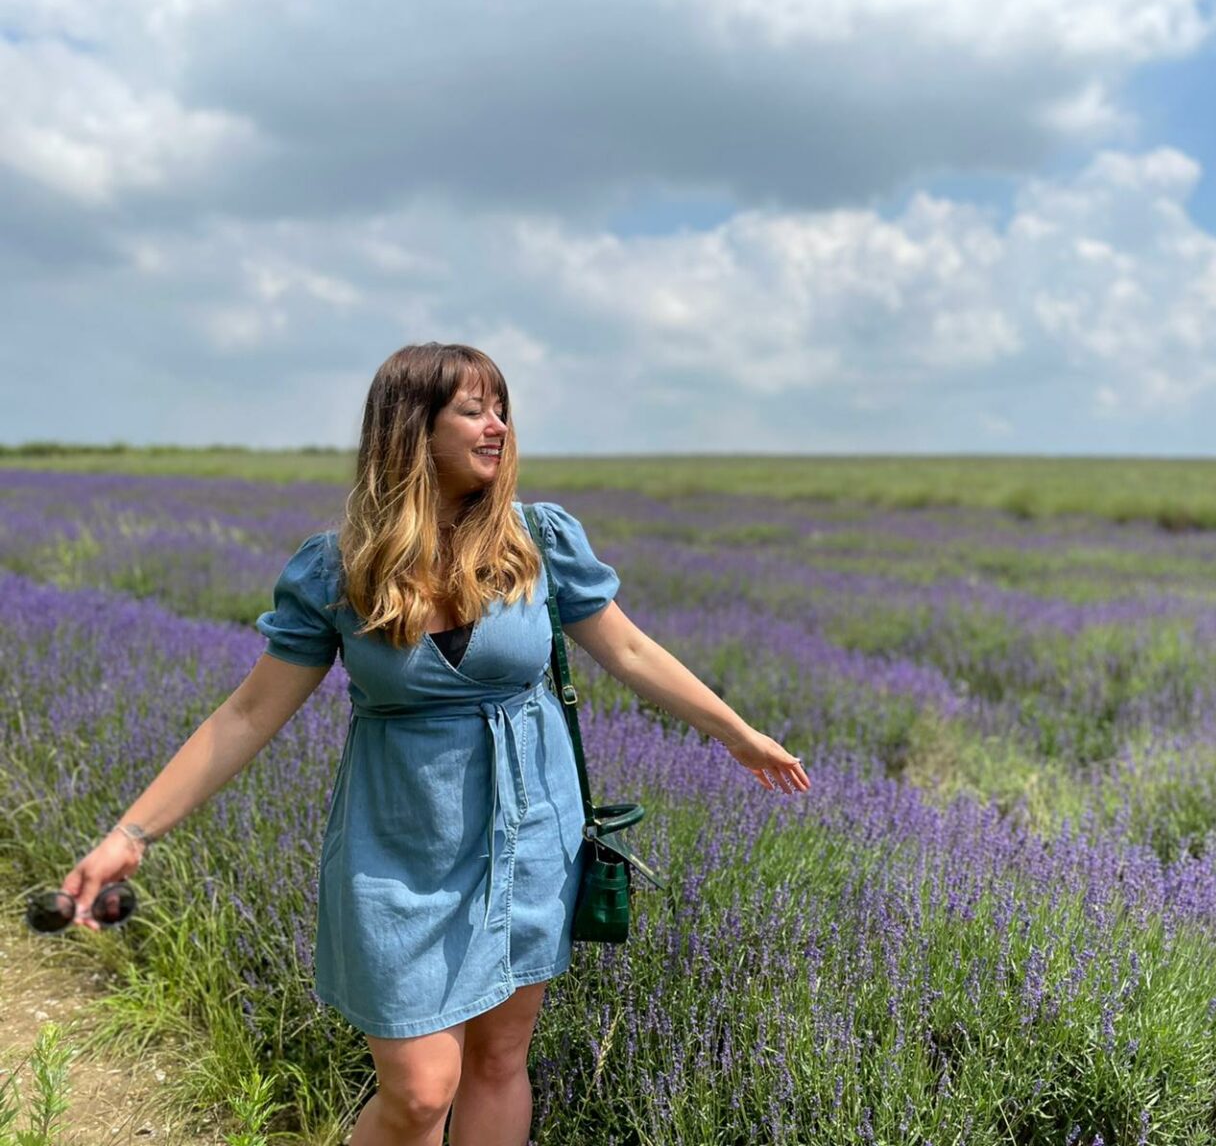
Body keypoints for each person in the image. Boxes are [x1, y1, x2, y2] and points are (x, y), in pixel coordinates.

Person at [60, 342, 811, 1146]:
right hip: (398, 847)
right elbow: (247, 714)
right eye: (474, 410)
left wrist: (738, 735)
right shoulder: (339, 568)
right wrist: (132, 833)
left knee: (499, 1060)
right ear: (411, 427)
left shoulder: (538, 540)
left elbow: (628, 650)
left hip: (529, 833)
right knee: (420, 1092)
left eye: (502, 411)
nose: (498, 428)